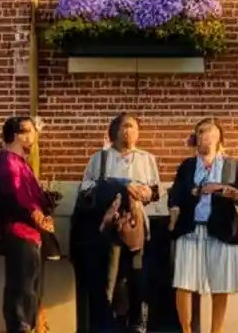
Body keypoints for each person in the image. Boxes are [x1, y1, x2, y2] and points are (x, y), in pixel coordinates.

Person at [73, 113, 162, 333]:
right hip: (110, 227)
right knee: (109, 280)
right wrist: (121, 185)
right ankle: (107, 324)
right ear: (115, 130)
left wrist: (145, 191)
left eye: (133, 127)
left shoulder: (146, 158)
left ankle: (137, 323)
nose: (129, 131)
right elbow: (86, 189)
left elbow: (156, 191)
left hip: (137, 227)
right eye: (125, 126)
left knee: (137, 277)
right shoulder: (101, 158)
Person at [168, 118, 238, 333]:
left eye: (209, 132)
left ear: (218, 138)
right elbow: (175, 194)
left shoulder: (232, 165)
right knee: (184, 282)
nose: (204, 136)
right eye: (201, 132)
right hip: (191, 228)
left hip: (222, 229)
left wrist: (233, 192)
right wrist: (197, 191)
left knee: (221, 283)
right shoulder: (187, 166)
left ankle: (217, 331)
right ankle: (186, 330)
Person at [0, 116, 56, 333]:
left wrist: (45, 208)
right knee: (21, 289)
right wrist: (36, 214)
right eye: (30, 132)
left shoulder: (22, 165)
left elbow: (34, 198)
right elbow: (14, 196)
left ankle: (27, 326)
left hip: (31, 234)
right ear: (18, 136)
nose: (34, 137)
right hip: (18, 232)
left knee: (30, 288)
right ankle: (20, 328)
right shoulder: (6, 163)